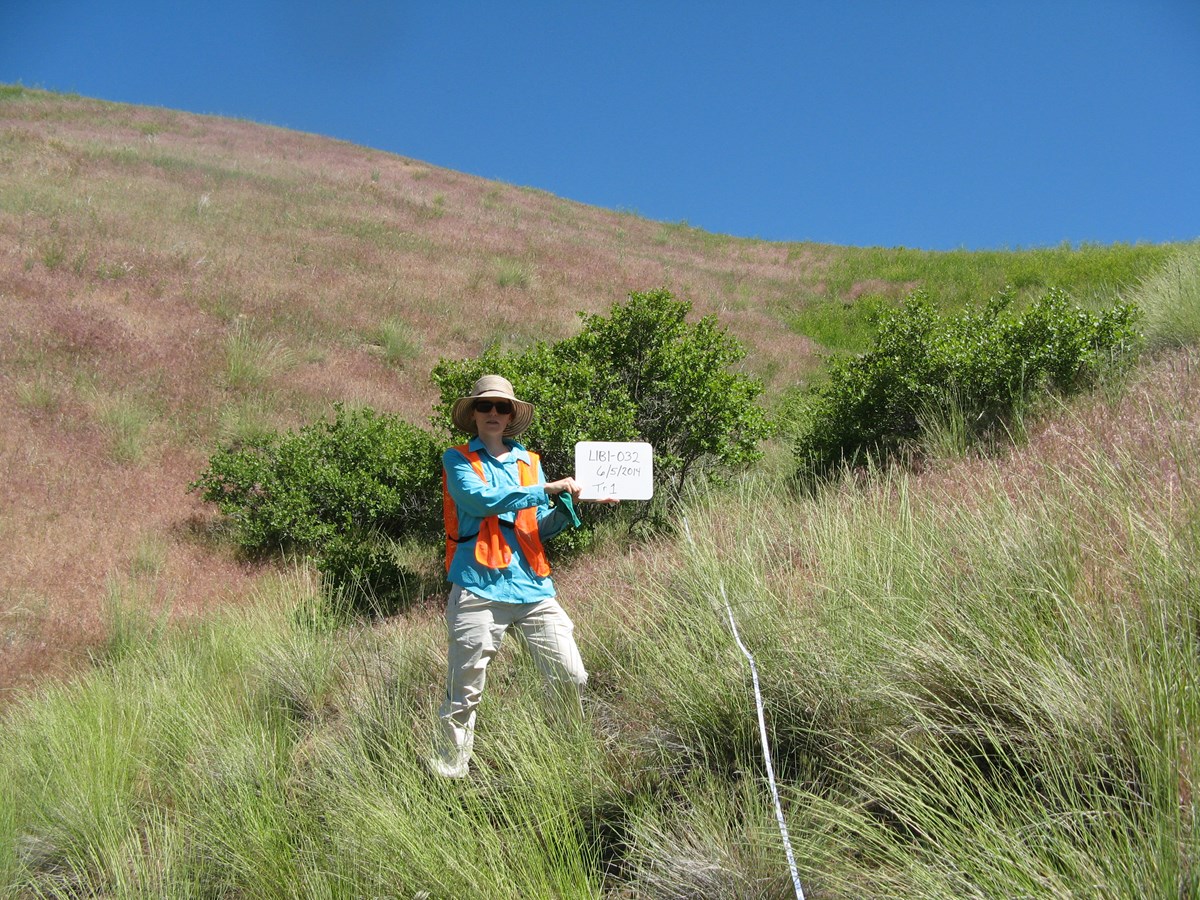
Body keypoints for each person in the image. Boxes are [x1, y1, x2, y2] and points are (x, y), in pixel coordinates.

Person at [429, 374, 605, 779]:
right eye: (485, 406)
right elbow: (478, 500)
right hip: (478, 585)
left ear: (511, 416)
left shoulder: (531, 464)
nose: (493, 413)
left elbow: (537, 526)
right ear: (473, 414)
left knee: (571, 675)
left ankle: (566, 761)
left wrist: (569, 504)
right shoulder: (457, 459)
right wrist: (546, 490)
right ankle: (449, 774)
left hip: (533, 587)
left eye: (502, 407)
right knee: (464, 693)